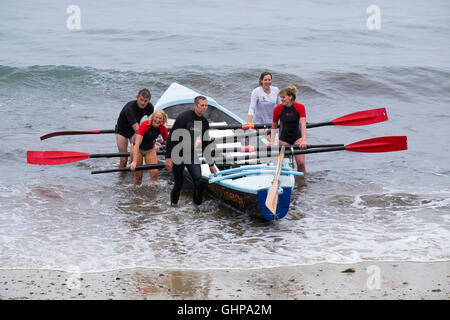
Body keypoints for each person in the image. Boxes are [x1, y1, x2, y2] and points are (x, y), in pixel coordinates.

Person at [165, 96, 217, 205]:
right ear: (195, 106)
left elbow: (205, 144)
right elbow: (170, 138)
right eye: (202, 105)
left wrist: (211, 164)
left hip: (191, 154)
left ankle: (196, 209)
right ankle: (173, 206)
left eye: (206, 105)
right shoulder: (184, 117)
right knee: (179, 184)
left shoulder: (204, 122)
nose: (204, 108)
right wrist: (168, 157)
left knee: (199, 181)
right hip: (177, 154)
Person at [270, 85, 307, 172]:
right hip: (283, 140)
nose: (281, 99)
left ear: (290, 97)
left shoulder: (300, 107)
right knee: (285, 166)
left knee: (301, 163)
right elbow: (274, 126)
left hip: (297, 139)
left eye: (283, 97)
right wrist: (272, 141)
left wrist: (304, 140)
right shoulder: (277, 109)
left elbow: (303, 124)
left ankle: (302, 182)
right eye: (280, 97)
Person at [115, 88, 154, 168]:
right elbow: (137, 128)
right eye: (141, 100)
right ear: (137, 97)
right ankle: (121, 178)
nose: (143, 103)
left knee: (135, 157)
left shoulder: (149, 107)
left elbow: (152, 123)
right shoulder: (129, 108)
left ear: (149, 100)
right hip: (122, 131)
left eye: (146, 101)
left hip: (133, 132)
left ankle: (133, 175)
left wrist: (153, 138)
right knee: (123, 159)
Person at [130, 110, 169, 185]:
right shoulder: (145, 124)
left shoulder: (163, 128)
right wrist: (134, 161)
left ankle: (153, 194)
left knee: (154, 173)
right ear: (152, 117)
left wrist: (169, 159)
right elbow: (137, 143)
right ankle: (135, 194)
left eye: (160, 118)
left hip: (150, 149)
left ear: (163, 120)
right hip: (137, 148)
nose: (158, 120)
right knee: (138, 176)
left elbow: (168, 144)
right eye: (156, 117)